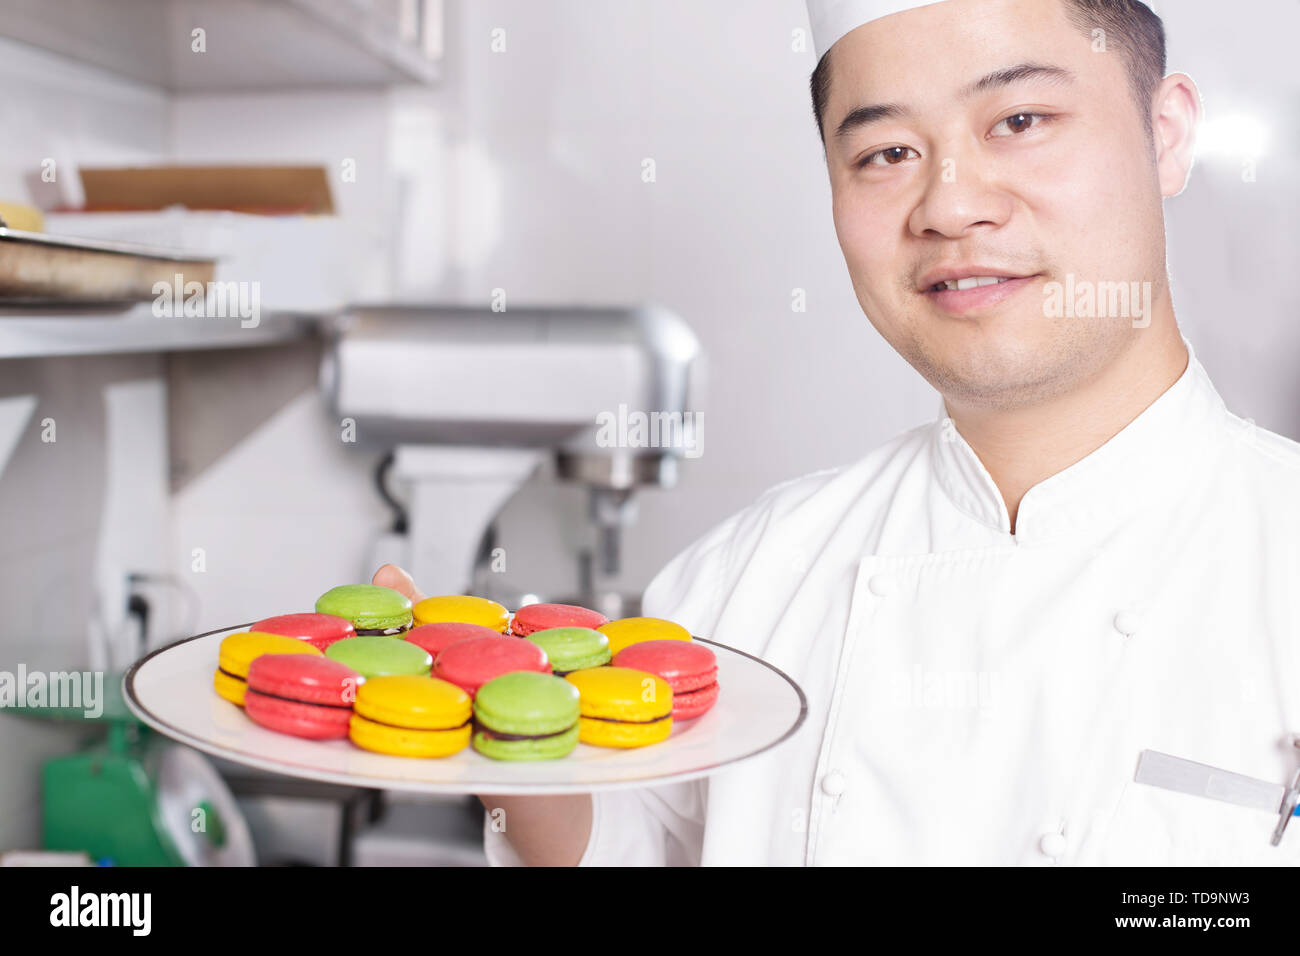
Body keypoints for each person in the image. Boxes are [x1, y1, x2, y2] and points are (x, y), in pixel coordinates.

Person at [377, 0, 1300, 865]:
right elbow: (621, 840)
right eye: (887, 153)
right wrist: (499, 726)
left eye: (1018, 121)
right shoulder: (737, 589)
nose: (947, 205)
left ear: (1166, 133)